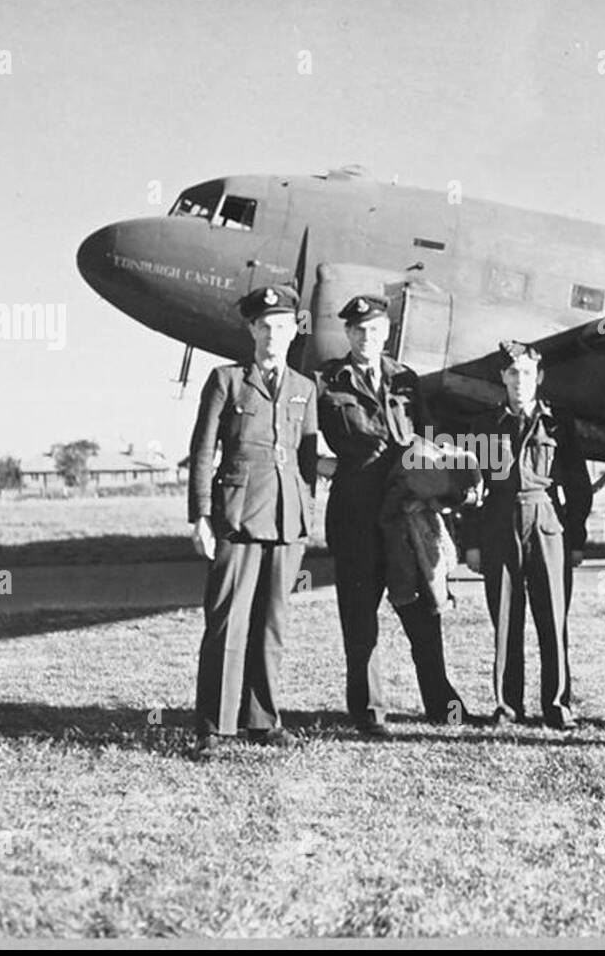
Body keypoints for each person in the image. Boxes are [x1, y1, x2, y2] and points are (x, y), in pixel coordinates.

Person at [317, 294, 468, 735]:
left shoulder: (405, 380)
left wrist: (445, 485)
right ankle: (369, 714)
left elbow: (426, 441)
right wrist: (337, 470)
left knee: (423, 614)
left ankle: (445, 708)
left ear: (387, 332)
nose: (368, 337)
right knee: (360, 619)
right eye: (360, 330)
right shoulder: (327, 381)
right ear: (348, 334)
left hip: (404, 515)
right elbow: (310, 447)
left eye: (377, 329)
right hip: (355, 516)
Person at [187, 284, 318, 757]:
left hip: (287, 523)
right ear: (251, 329)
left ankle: (263, 720)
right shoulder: (227, 380)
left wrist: (306, 513)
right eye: (265, 326)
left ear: (292, 331)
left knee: (273, 625)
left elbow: (306, 458)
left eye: (282, 327)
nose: (273, 335)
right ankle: (215, 727)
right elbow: (203, 450)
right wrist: (201, 515)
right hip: (238, 517)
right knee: (227, 622)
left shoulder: (305, 388)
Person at [463, 341, 592, 730]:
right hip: (500, 518)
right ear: (502, 377)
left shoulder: (558, 423)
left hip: (546, 519)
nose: (520, 381)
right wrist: (471, 541)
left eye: (527, 373)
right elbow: (474, 487)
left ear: (539, 378)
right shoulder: (484, 425)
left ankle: (557, 705)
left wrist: (576, 538)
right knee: (505, 617)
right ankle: (507, 706)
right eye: (513, 373)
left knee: (552, 617)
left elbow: (579, 485)